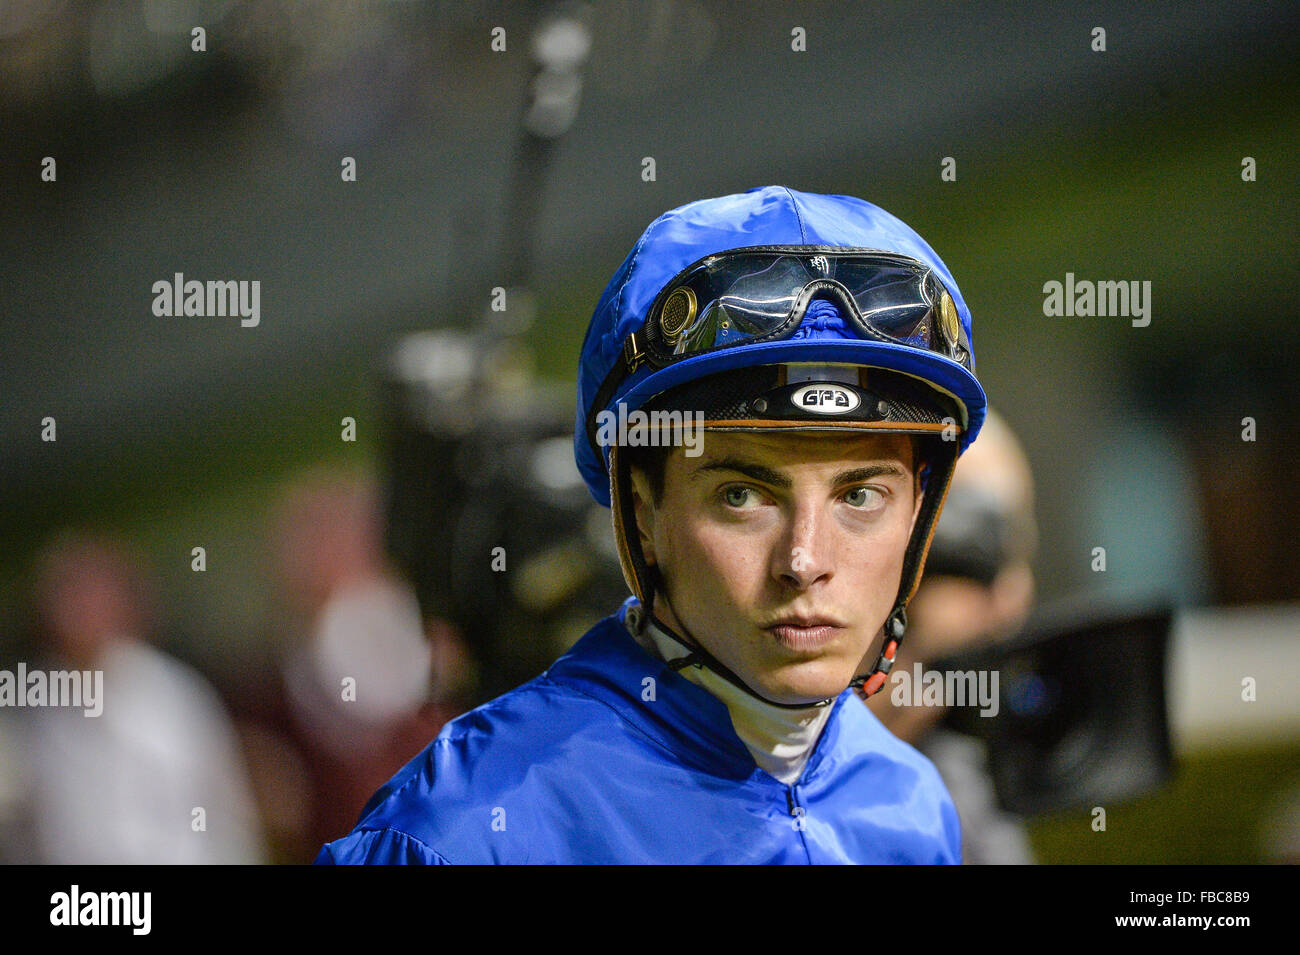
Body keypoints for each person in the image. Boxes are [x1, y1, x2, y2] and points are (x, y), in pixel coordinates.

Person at [317, 185, 988, 864]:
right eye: (741, 496)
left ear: (920, 509)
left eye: (862, 495)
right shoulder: (451, 837)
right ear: (641, 510)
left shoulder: (910, 806)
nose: (805, 559)